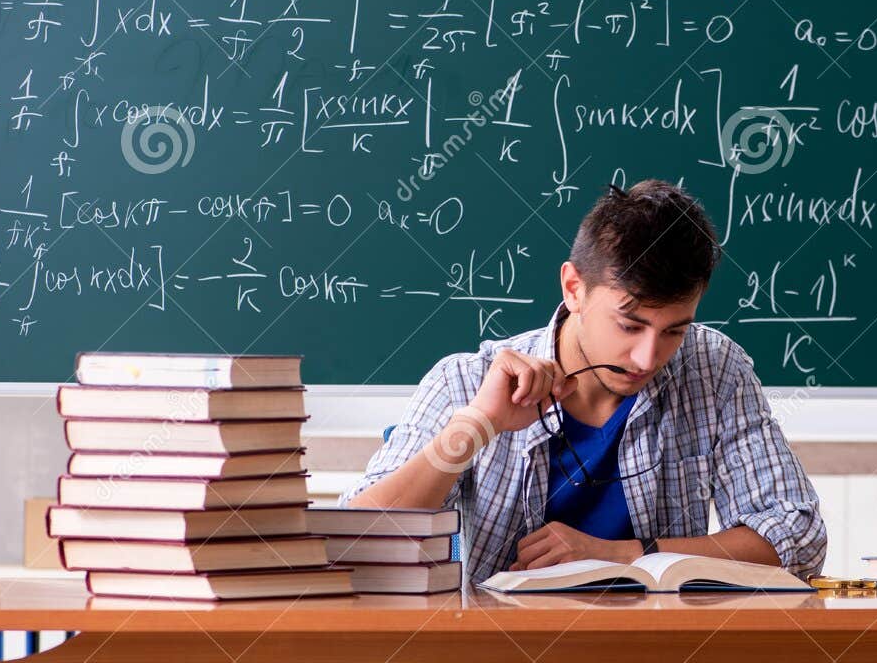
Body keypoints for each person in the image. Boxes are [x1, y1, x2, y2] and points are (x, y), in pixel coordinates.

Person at [346, 179, 827, 585]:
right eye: (630, 325)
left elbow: (798, 539)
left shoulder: (714, 368)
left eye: (674, 330)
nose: (648, 357)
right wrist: (479, 423)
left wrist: (623, 554)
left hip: (661, 662)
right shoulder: (466, 379)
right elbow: (355, 545)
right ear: (574, 288)